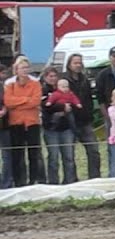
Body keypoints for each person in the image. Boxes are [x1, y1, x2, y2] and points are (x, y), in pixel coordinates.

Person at [3, 56, 45, 186]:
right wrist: (26, 99)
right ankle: (19, 182)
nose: (25, 70)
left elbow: (36, 101)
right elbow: (8, 102)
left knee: (34, 153)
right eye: (22, 68)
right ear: (16, 69)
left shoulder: (35, 83)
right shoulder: (10, 84)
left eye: (27, 67)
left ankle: (34, 181)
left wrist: (19, 101)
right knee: (17, 155)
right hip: (16, 123)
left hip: (32, 123)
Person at [63, 54, 100, 179]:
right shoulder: (64, 81)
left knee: (94, 151)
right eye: (75, 63)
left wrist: (90, 114)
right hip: (69, 122)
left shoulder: (85, 79)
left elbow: (89, 99)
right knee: (69, 154)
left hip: (85, 121)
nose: (78, 65)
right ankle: (72, 179)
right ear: (69, 64)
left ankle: (94, 177)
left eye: (80, 63)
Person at [41, 73, 80, 185]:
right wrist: (62, 107)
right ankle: (53, 182)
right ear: (45, 78)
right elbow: (45, 106)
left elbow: (73, 101)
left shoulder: (66, 89)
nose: (52, 78)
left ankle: (70, 181)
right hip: (50, 128)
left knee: (69, 157)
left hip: (66, 127)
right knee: (53, 157)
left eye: (54, 76)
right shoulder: (43, 90)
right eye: (50, 76)